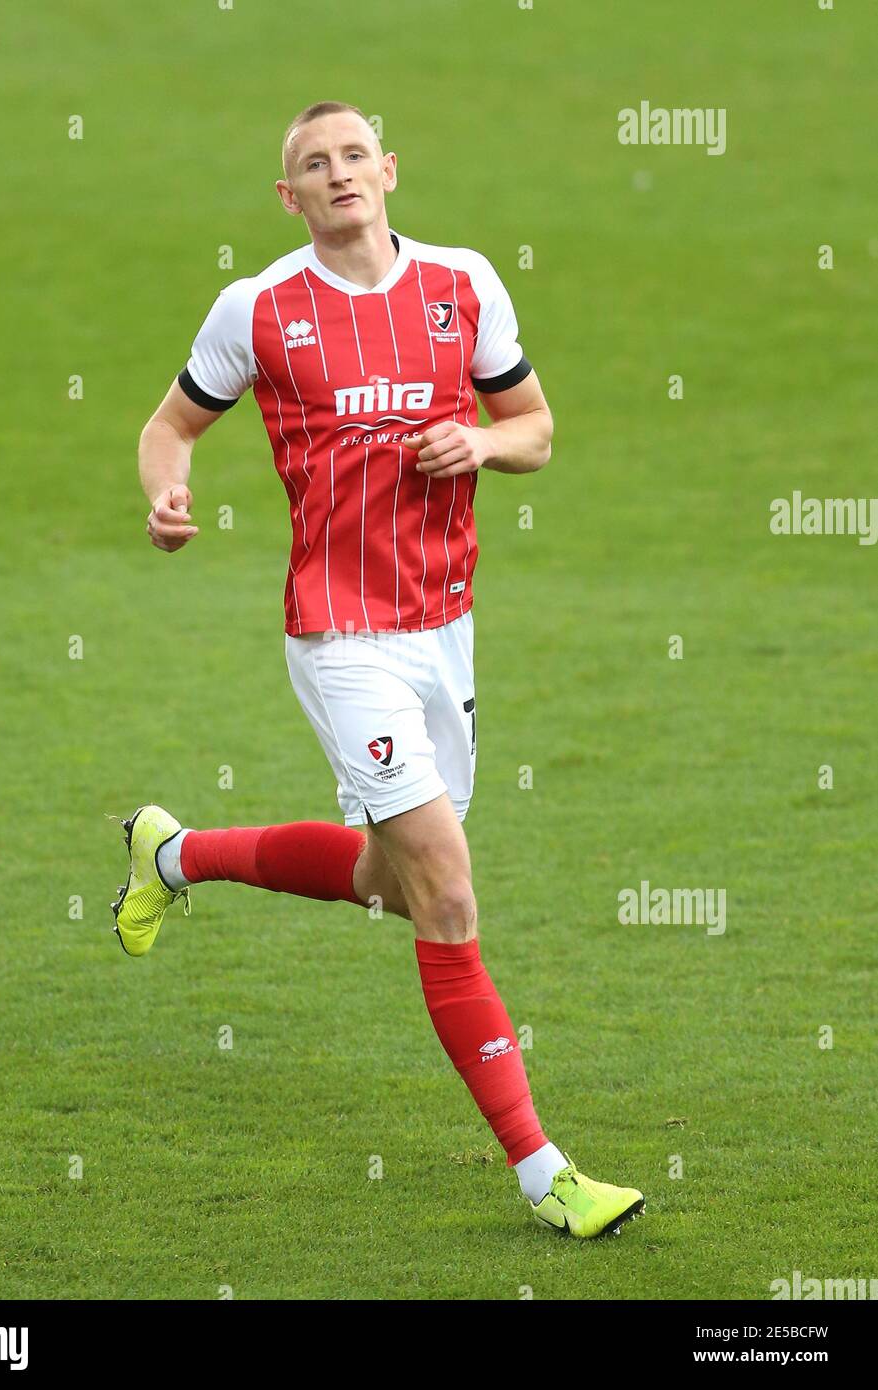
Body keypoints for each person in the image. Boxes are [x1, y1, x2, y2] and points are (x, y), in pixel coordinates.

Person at [112, 101, 644, 1238]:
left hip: (441, 626)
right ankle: (544, 1172)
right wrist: (166, 494)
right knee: (446, 892)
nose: (338, 173)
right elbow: (170, 426)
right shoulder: (255, 309)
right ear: (289, 197)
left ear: (388, 170)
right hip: (337, 633)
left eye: (354, 155)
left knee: (391, 880)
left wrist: (484, 444)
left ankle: (174, 852)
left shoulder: (463, 284)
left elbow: (536, 428)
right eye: (314, 163)